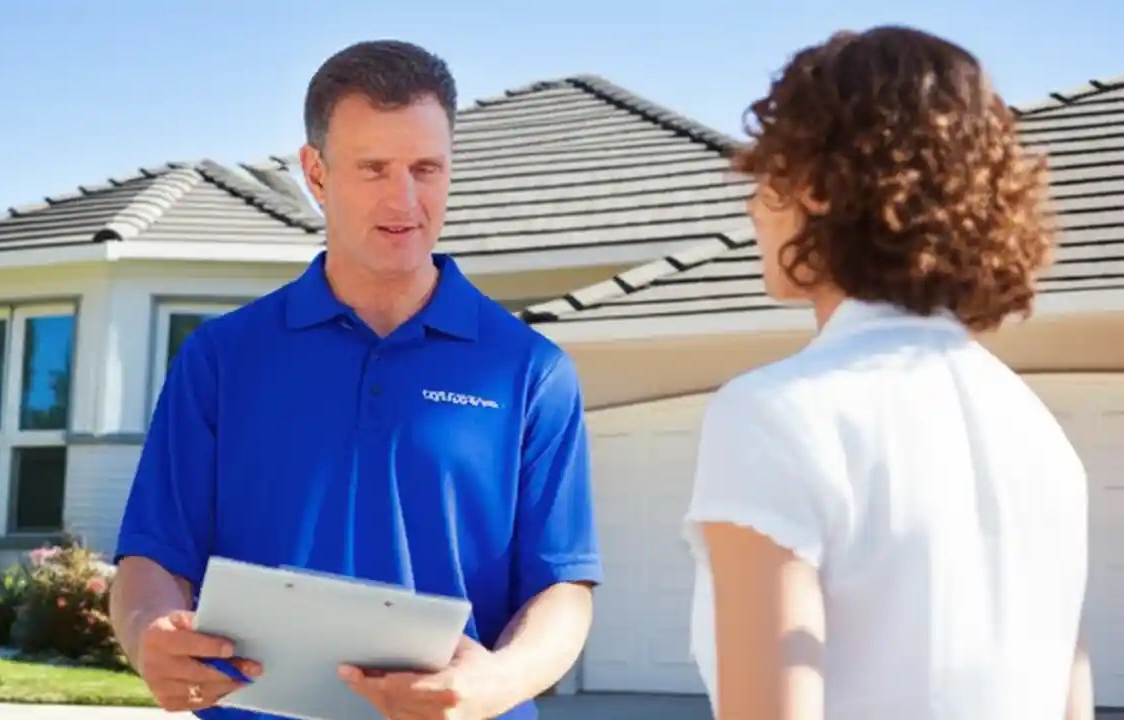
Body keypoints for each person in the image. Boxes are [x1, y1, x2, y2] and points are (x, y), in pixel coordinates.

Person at [109, 39, 602, 720]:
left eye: (426, 168)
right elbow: (152, 560)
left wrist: (498, 682)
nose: (404, 198)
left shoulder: (529, 370)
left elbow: (563, 590)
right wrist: (146, 636)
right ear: (316, 173)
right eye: (373, 168)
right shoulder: (222, 358)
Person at [681, 26, 1093, 720]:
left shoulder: (773, 415)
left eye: (768, 174)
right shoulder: (1040, 435)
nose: (754, 207)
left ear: (814, 186)